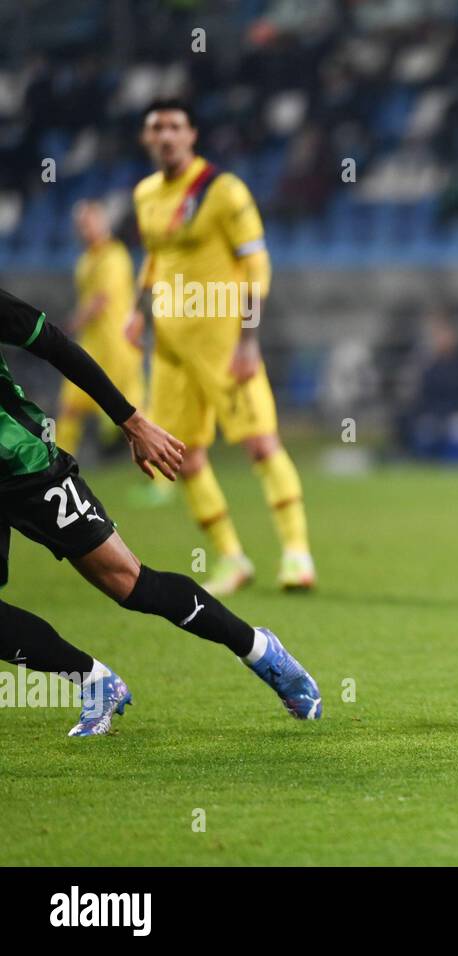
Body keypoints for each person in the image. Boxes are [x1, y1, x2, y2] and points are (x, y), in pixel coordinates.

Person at [0, 287, 321, 736]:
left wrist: (131, 421)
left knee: (130, 585)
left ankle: (259, 649)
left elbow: (55, 344)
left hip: (27, 466)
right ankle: (94, 681)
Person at [133, 98, 314, 596]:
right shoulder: (146, 193)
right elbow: (153, 259)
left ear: (191, 134)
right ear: (147, 139)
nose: (165, 136)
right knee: (184, 458)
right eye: (156, 128)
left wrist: (249, 340)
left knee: (260, 443)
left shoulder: (223, 190)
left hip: (224, 343)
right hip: (170, 349)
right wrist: (134, 311)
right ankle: (231, 558)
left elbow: (257, 266)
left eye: (174, 126)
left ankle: (297, 553)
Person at [55, 200, 144, 459]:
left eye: (89, 223)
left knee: (138, 413)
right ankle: (59, 470)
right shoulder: (84, 260)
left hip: (118, 346)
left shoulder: (115, 255)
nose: (85, 230)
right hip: (91, 345)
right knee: (70, 407)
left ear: (103, 222)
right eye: (80, 225)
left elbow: (100, 300)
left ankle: (162, 477)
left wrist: (71, 323)